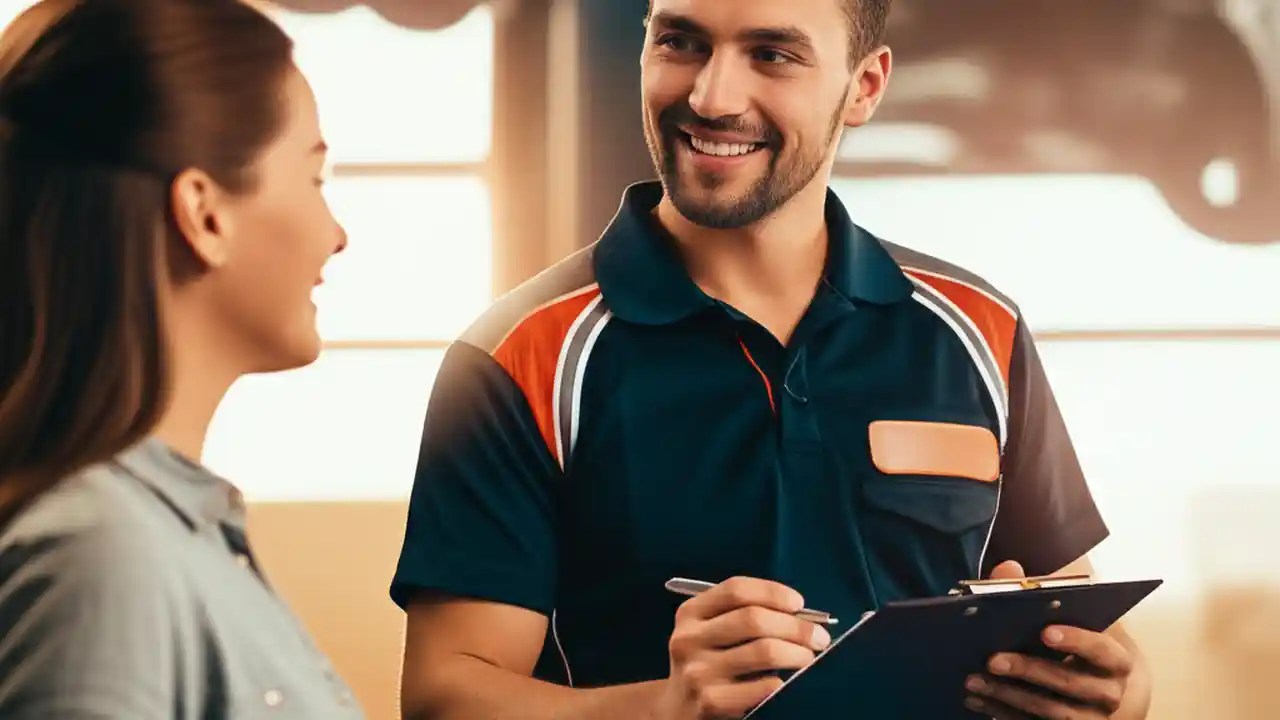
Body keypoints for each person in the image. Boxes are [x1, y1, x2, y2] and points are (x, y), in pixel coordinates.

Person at [391, 0, 1152, 718]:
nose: (714, 96)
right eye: (681, 42)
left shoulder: (981, 330)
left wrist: (1114, 688)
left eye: (772, 54)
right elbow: (445, 697)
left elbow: (1083, 630)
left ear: (864, 87)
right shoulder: (516, 357)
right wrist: (662, 707)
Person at [0, 0, 360, 717]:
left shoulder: (160, 529)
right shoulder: (100, 554)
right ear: (204, 215)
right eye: (314, 179)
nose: (337, 233)